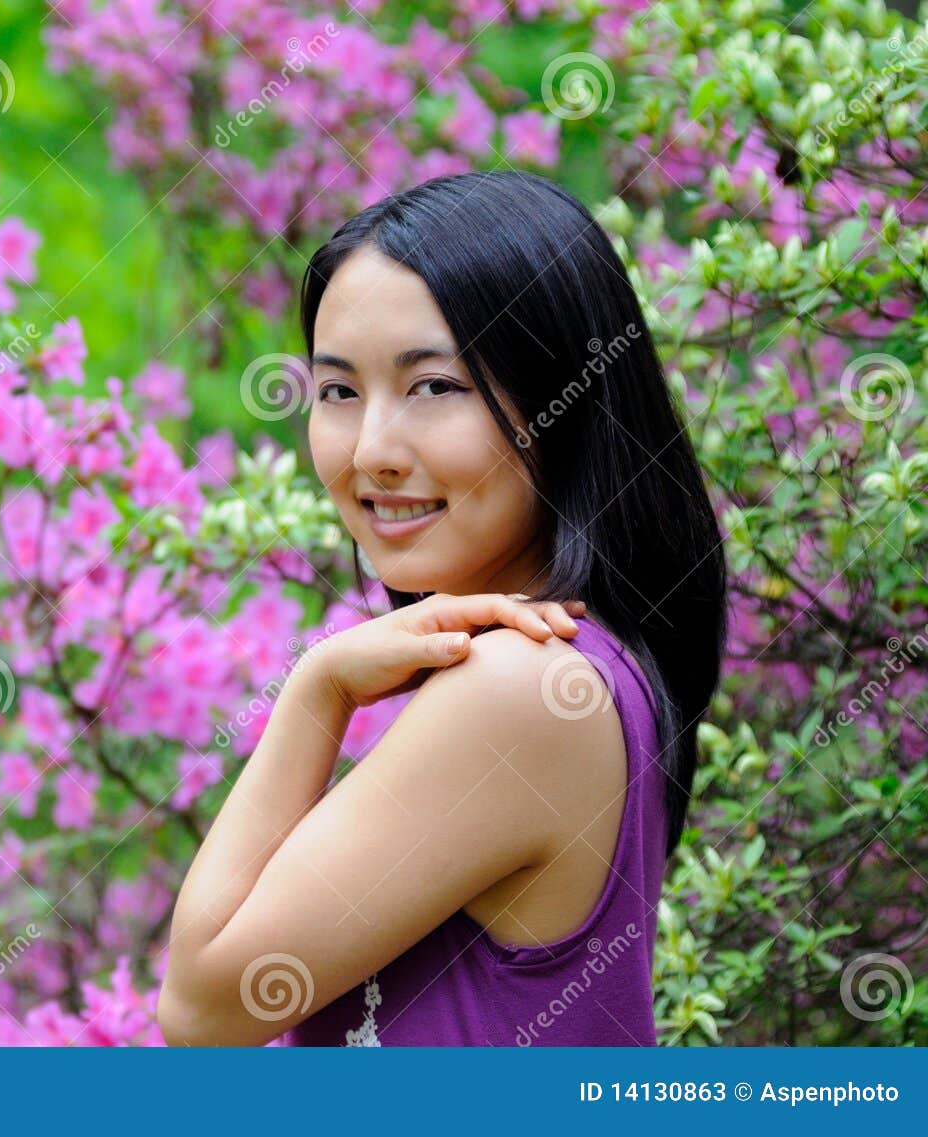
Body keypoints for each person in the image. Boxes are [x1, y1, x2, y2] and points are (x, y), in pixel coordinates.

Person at [155, 170, 728, 1047]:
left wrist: (317, 689)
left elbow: (204, 1006)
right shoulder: (572, 663)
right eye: (339, 391)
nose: (374, 451)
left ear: (560, 401)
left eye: (434, 386)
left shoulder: (521, 686)